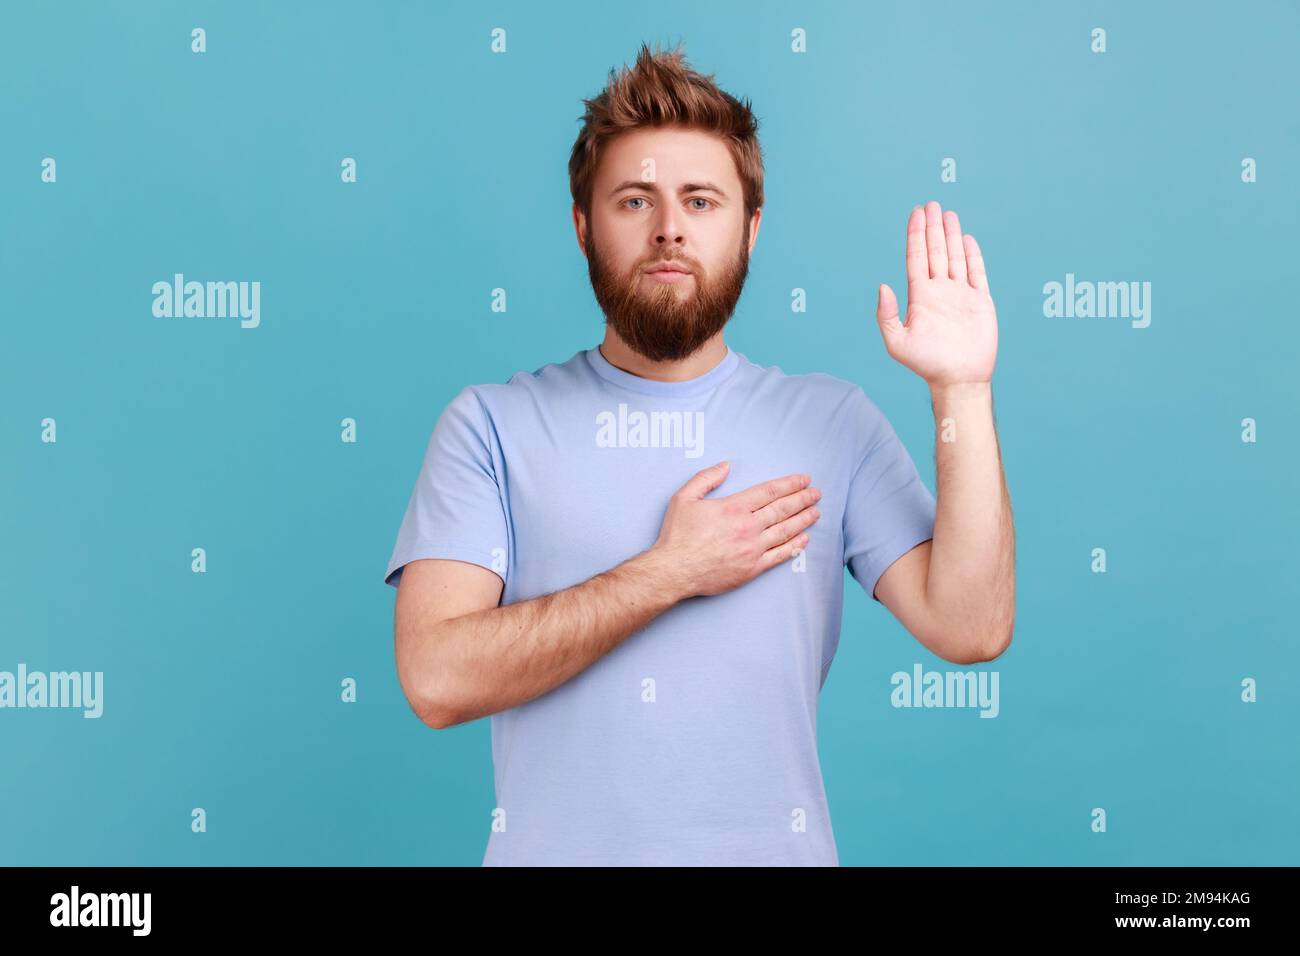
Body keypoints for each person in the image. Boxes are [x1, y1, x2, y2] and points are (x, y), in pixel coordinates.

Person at [384, 41, 1015, 866]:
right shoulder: (491, 427)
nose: (670, 230)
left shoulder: (833, 422)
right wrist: (669, 572)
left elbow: (971, 628)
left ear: (750, 229)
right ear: (583, 226)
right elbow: (434, 678)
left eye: (701, 201)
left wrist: (962, 393)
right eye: (635, 200)